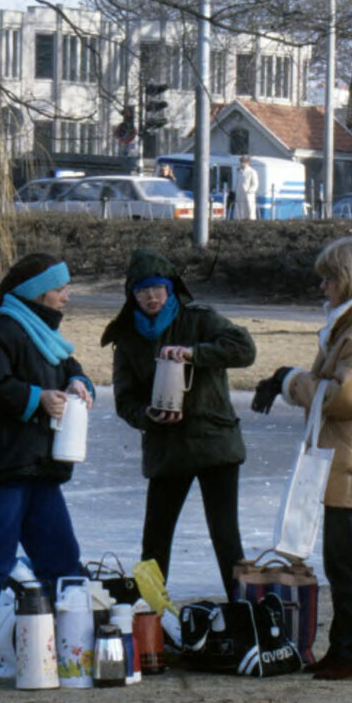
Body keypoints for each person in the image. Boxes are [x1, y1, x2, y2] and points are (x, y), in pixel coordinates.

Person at [251, 236, 352, 682]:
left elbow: (342, 397)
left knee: (348, 561)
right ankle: (348, 649)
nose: (324, 288)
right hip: (348, 461)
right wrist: (293, 382)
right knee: (343, 560)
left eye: (330, 279)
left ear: (350, 279)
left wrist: (291, 381)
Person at [0, 251, 96, 682]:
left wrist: (79, 381)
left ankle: (66, 651)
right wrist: (36, 399)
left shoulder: (44, 335)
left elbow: (68, 364)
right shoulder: (0, 333)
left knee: (63, 558)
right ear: (36, 293)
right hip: (2, 468)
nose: (67, 296)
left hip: (40, 469)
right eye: (60, 289)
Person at [101, 248, 256, 599]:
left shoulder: (198, 319)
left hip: (215, 443)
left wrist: (193, 354)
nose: (151, 297)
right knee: (155, 539)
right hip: (166, 449)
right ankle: (148, 615)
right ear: (132, 295)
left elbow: (244, 350)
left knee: (226, 537)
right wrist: (147, 416)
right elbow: (125, 400)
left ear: (170, 290)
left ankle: (246, 614)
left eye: (158, 288)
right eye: (142, 291)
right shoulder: (127, 337)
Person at [234, 156, 260, 221]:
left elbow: (255, 184)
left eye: (244, 162)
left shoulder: (252, 171)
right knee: (239, 212)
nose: (242, 163)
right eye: (241, 162)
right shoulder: (238, 171)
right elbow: (237, 182)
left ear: (248, 163)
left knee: (249, 212)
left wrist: (249, 191)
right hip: (239, 195)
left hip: (248, 196)